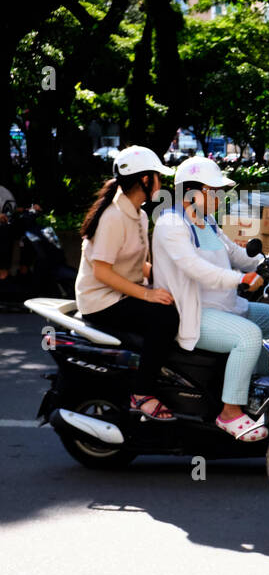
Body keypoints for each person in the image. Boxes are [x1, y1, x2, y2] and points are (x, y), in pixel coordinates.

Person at [152, 157, 269, 440]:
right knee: (249, 336)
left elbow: (235, 254)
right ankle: (229, 411)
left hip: (228, 307)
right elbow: (197, 268)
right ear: (194, 193)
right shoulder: (171, 224)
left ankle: (254, 392)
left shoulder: (205, 222)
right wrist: (239, 279)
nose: (220, 197)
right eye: (214, 191)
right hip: (196, 315)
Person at [73, 146, 180, 420]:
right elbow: (102, 273)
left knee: (173, 302)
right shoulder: (113, 217)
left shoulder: (139, 214)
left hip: (123, 293)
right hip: (101, 301)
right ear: (145, 180)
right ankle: (142, 392)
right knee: (165, 316)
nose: (161, 182)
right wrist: (148, 295)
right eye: (157, 176)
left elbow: (137, 265)